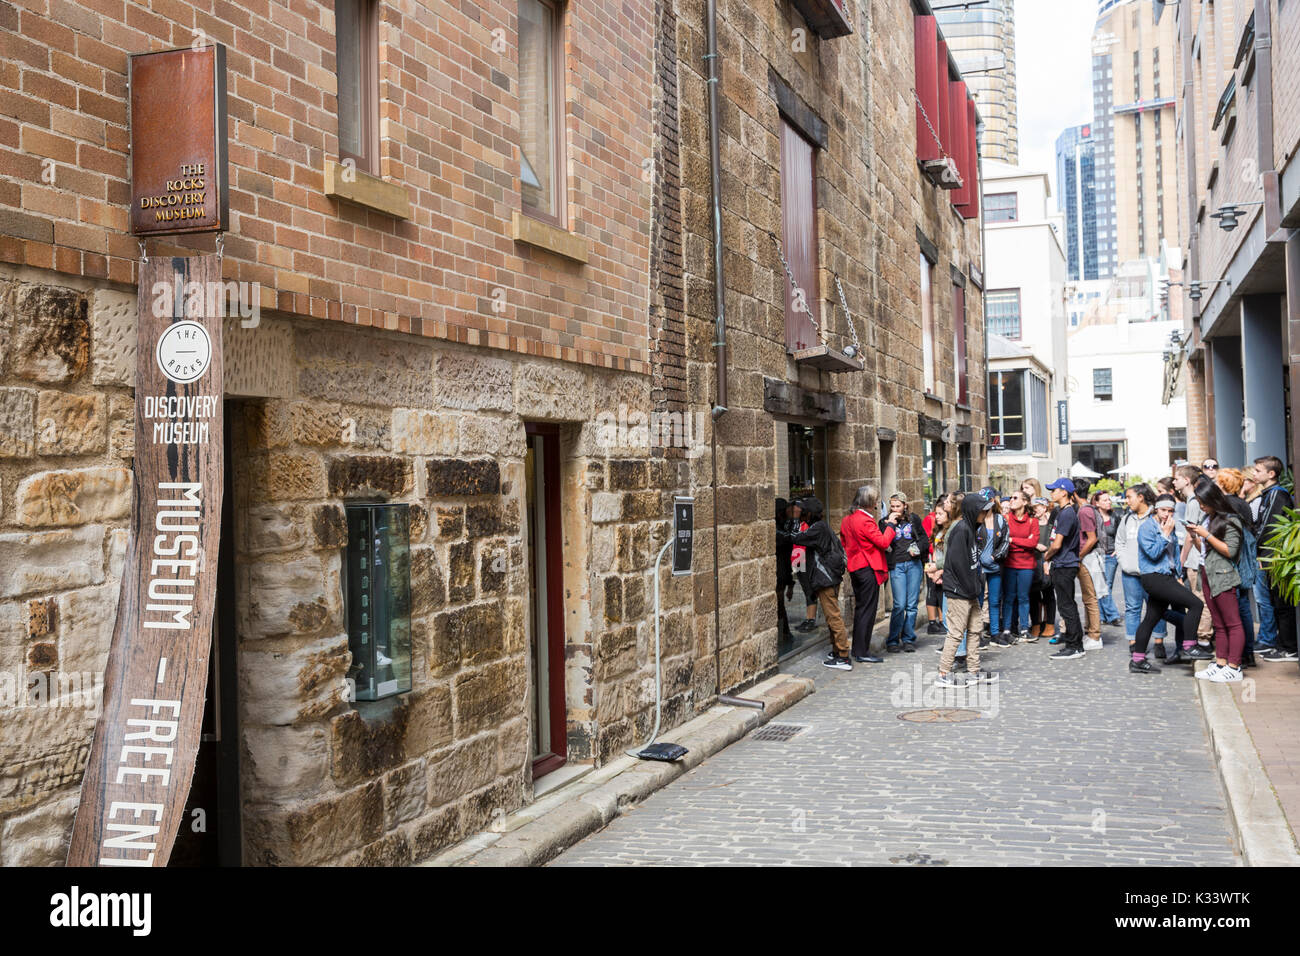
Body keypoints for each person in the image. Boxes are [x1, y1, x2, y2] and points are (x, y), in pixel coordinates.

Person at [1133, 494, 1205, 673]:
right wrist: (1165, 534)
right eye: (1164, 510)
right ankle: (1189, 646)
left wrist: (1178, 575)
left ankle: (1137, 660)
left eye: (1171, 510)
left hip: (1167, 576)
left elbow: (1173, 556)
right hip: (1154, 577)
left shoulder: (1170, 525)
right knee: (1196, 604)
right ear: (1156, 509)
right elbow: (1153, 554)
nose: (1167, 514)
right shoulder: (1146, 528)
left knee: (1151, 618)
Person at [934, 494, 999, 687]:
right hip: (959, 591)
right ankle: (943, 674)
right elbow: (956, 563)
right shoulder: (961, 530)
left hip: (970, 591)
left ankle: (974, 671)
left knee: (974, 630)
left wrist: (976, 584)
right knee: (956, 633)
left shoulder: (971, 528)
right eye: (982, 510)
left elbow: (973, 561)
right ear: (973, 510)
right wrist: (971, 586)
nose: (986, 513)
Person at [1187, 477, 1246, 682]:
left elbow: (1230, 550)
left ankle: (1234, 666)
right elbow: (1205, 551)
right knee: (1218, 623)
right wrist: (1196, 537)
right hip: (1207, 572)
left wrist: (1206, 535)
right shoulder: (1208, 519)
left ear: (1214, 499)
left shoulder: (1231, 520)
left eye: (1203, 502)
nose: (1201, 506)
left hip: (1223, 576)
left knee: (1232, 623)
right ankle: (1221, 663)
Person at [1116, 483, 1179, 662]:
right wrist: (1124, 561)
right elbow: (1119, 542)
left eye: (1129, 497)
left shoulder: (1158, 515)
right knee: (1132, 608)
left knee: (1156, 608)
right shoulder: (1126, 519)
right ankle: (1133, 642)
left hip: (1152, 573)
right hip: (1130, 573)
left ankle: (1159, 641)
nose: (1127, 501)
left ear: (1141, 497)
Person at [786, 498, 852, 670]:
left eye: (803, 513)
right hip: (830, 577)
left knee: (833, 616)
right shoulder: (823, 526)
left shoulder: (817, 528)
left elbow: (797, 538)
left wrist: (794, 520)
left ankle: (844, 656)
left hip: (826, 578)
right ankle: (837, 650)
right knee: (832, 615)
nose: (802, 516)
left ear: (809, 513)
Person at [1253, 455, 1298, 663]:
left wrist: (1257, 550)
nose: (1254, 474)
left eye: (1258, 470)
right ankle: (1283, 644)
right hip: (1272, 557)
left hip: (1276, 558)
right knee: (1275, 602)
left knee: (1281, 603)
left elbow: (1268, 528)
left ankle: (1288, 648)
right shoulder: (1268, 494)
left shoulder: (1276, 495)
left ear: (1271, 474)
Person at [840, 485, 893, 664]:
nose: (878, 503)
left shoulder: (848, 520)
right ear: (870, 503)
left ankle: (858, 649)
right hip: (867, 567)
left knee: (861, 609)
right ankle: (862, 651)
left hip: (855, 567)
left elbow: (845, 542)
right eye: (876, 500)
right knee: (867, 611)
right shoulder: (865, 521)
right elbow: (884, 542)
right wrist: (891, 525)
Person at [1215, 468, 1258, 666]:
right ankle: (1247, 652)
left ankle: (1239, 654)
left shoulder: (1226, 505)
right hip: (1244, 561)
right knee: (1243, 608)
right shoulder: (1243, 504)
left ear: (1224, 484)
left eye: (1218, 481)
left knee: (1236, 610)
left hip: (1234, 562)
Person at [1173, 464, 1215, 660]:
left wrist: (1180, 560)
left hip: (1195, 559)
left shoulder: (1192, 502)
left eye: (1177, 478)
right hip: (1197, 558)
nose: (1174, 482)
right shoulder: (1191, 500)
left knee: (1200, 599)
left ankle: (1203, 639)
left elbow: (1191, 534)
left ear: (1186, 480)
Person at [1044, 477, 1086, 660]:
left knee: (1067, 606)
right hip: (1063, 563)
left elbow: (1057, 543)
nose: (1051, 493)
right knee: (1067, 605)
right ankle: (1073, 643)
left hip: (1064, 564)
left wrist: (1046, 556)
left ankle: (1074, 645)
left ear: (1064, 492)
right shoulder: (1063, 512)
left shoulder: (1067, 514)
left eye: (1054, 490)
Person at [882, 493, 929, 652]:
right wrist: (890, 525)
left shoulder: (913, 519)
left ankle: (908, 638)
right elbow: (882, 542)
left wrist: (918, 549)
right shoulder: (885, 522)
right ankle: (893, 640)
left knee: (912, 605)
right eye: (892, 506)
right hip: (897, 566)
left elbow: (924, 539)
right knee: (899, 604)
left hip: (914, 564)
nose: (895, 509)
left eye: (898, 506)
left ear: (905, 506)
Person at [1241, 470, 1278, 652]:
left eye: (1244, 480)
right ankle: (1265, 637)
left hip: (1260, 555)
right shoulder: (1255, 500)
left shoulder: (1256, 502)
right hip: (1257, 555)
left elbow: (1258, 529)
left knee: (1262, 598)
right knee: (1260, 598)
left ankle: (1267, 638)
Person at [1000, 489, 1038, 643]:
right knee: (1008, 597)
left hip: (1026, 565)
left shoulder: (1032, 521)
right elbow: (1003, 541)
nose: (1011, 500)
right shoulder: (1006, 519)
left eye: (1015, 498)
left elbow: (1033, 543)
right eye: (1011, 498)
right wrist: (1023, 542)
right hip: (1009, 563)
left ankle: (1024, 629)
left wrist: (1013, 540)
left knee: (1023, 597)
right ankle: (1007, 629)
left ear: (1025, 501)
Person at [978, 490, 1012, 645]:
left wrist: (995, 556)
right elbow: (971, 542)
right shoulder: (976, 519)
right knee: (977, 601)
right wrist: (979, 558)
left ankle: (995, 633)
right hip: (979, 567)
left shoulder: (1000, 519)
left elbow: (1005, 541)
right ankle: (976, 634)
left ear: (993, 500)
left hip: (995, 566)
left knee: (994, 600)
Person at [1073, 479, 1103, 650]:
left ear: (1075, 493)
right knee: (1087, 597)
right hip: (1087, 557)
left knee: (1090, 597)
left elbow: (1092, 538)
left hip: (1087, 559)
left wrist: (1079, 556)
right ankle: (1090, 632)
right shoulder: (1087, 509)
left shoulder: (1084, 511)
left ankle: (1094, 634)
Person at [1091, 490, 1122, 624]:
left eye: (1109, 499)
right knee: (1098, 585)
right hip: (1097, 555)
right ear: (1097, 503)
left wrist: (1118, 550)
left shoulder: (1116, 517)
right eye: (1104, 500)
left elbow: (1121, 535)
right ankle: (1102, 616)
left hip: (1111, 555)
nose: (1108, 502)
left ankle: (1111, 615)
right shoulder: (1093, 517)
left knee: (1106, 584)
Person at [1027, 496, 1056, 641]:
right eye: (1033, 507)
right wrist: (1034, 545)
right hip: (1033, 560)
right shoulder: (1031, 522)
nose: (1035, 510)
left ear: (1044, 508)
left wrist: (1048, 556)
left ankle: (1050, 623)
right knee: (1033, 595)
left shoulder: (1052, 524)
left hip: (1048, 561)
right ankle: (1036, 624)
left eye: (1037, 507)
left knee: (1049, 593)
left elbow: (1056, 541)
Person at [789, 500, 819, 633]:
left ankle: (810, 619)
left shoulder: (805, 525)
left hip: (805, 562)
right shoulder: (796, 524)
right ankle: (809, 618)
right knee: (806, 590)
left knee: (809, 591)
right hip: (799, 561)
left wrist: (797, 565)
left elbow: (800, 545)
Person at [924, 500, 952, 636]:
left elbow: (950, 556)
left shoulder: (951, 531)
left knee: (948, 612)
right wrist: (932, 571)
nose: (937, 516)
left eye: (940, 514)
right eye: (936, 513)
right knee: (942, 604)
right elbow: (935, 552)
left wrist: (939, 572)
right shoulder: (938, 531)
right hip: (938, 573)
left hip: (946, 574)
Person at [775, 498, 794, 644]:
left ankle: (784, 633)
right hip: (780, 572)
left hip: (781, 572)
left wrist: (790, 584)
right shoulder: (780, 530)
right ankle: (784, 633)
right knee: (779, 606)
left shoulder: (783, 529)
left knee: (780, 606)